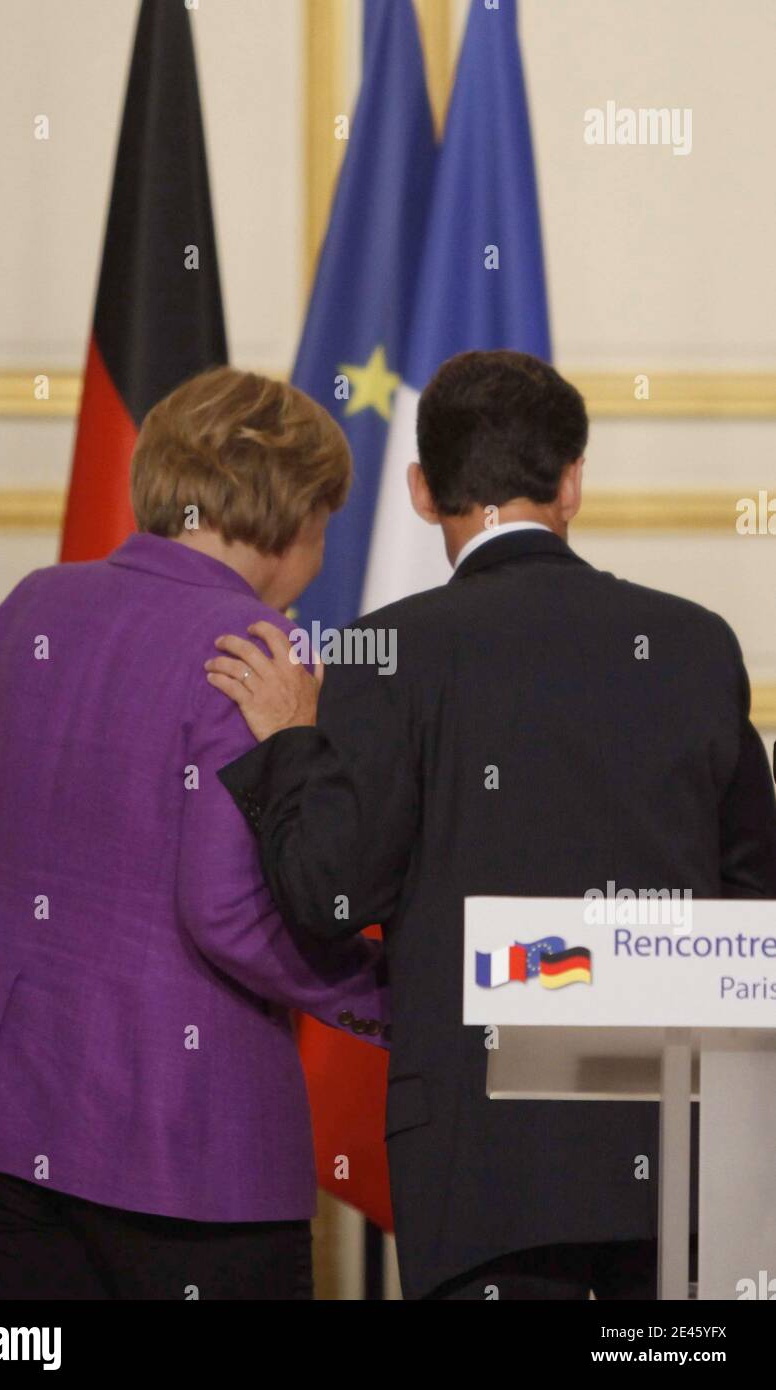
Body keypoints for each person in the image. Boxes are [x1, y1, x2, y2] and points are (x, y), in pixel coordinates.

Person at [210, 348, 776, 1301]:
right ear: (572, 482)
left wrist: (290, 745)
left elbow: (326, 895)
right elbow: (754, 901)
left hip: (481, 1185)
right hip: (680, 1176)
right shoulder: (694, 642)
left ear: (425, 492)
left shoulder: (389, 652)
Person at [0, 366, 389, 1301]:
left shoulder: (30, 606)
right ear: (293, 519)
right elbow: (227, 915)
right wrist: (387, 998)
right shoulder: (257, 646)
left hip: (2, 1135)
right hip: (182, 1158)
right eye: (327, 522)